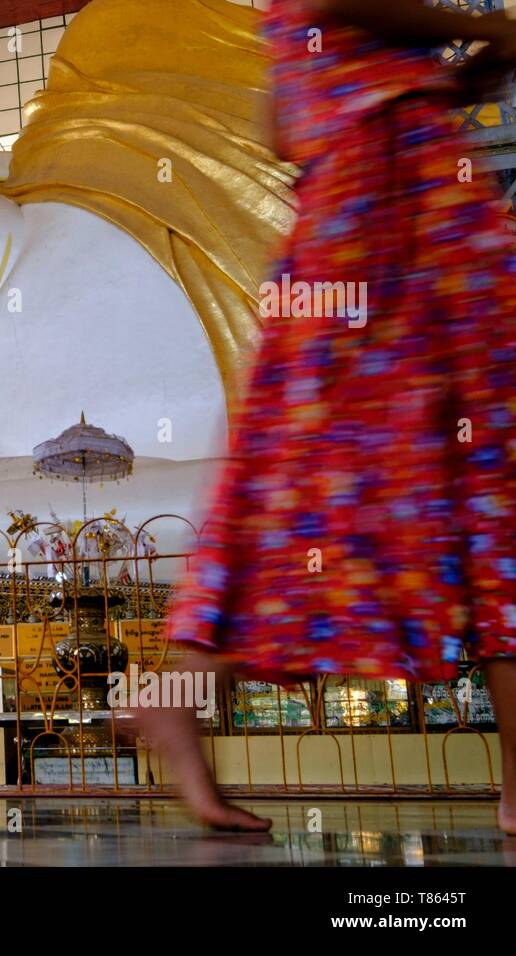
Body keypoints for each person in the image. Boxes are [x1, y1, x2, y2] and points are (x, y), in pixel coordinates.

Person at [140, 0, 516, 834]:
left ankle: (184, 687)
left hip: (373, 189)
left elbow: (281, 124)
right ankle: (184, 688)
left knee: (322, 459)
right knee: (474, 461)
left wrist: (418, 79)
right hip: (395, 193)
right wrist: (483, 36)